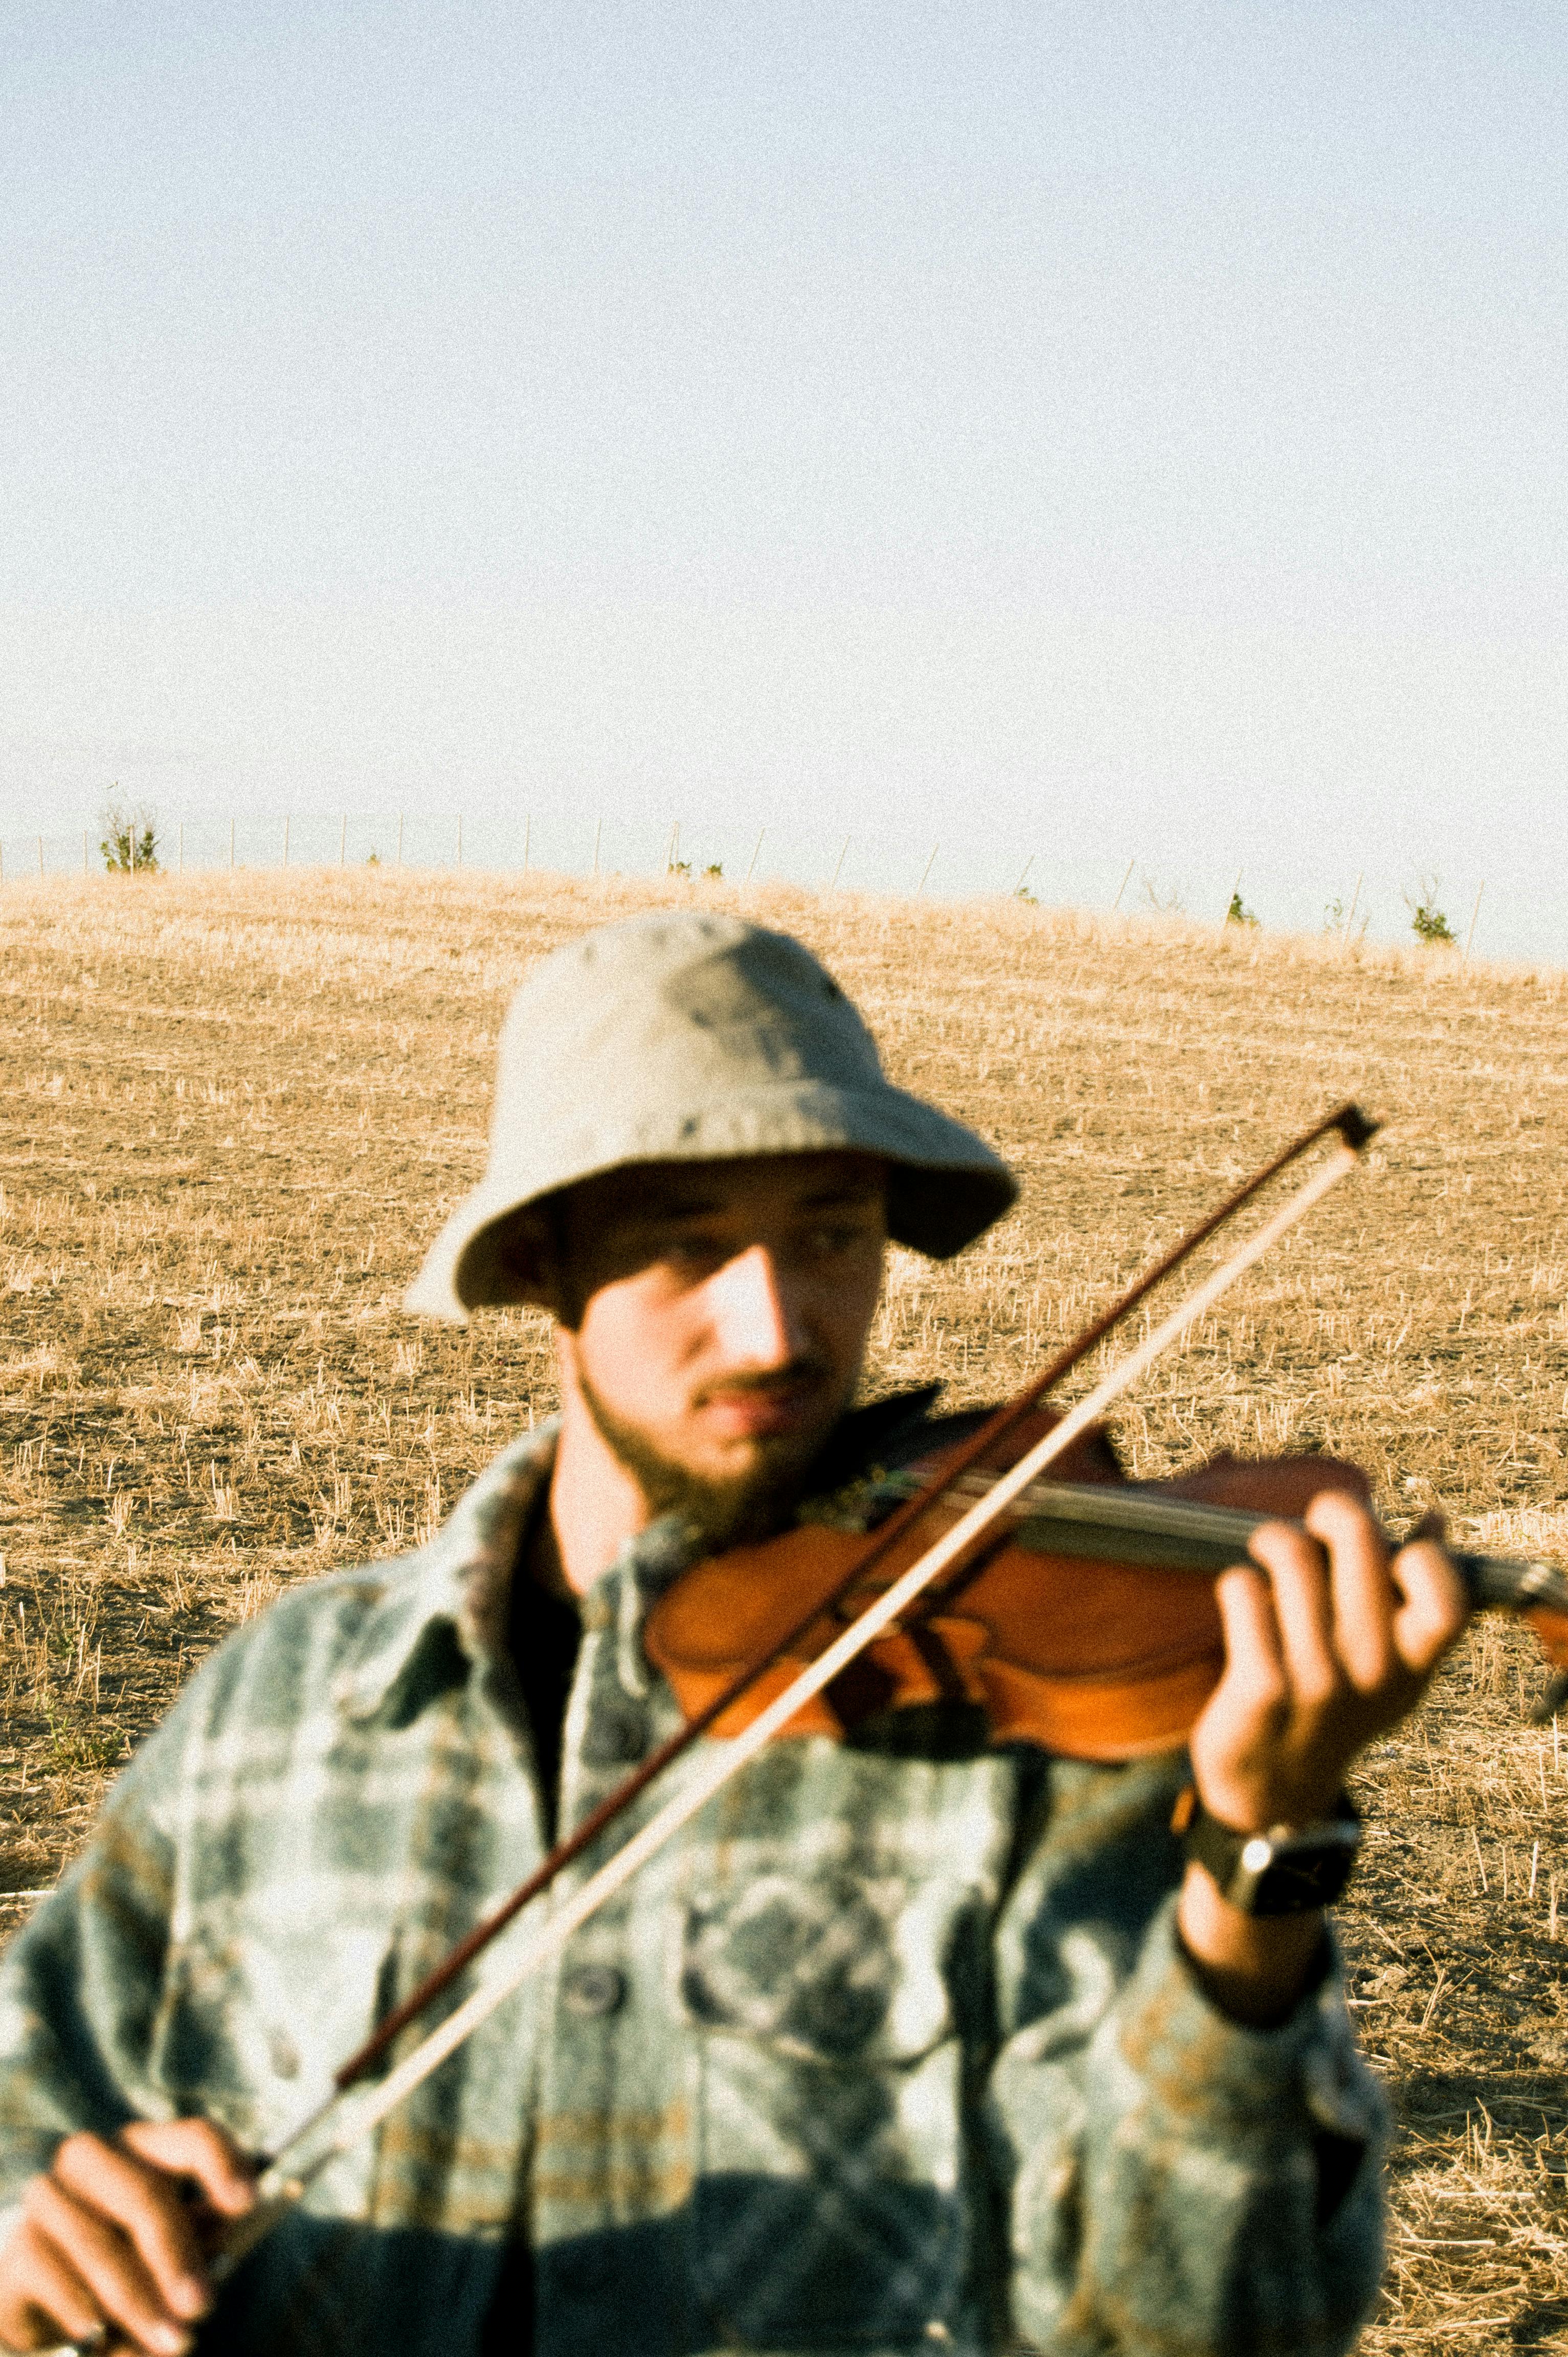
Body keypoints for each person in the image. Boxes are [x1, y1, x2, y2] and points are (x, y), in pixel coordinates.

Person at [0, 909, 1465, 2357]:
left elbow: (1202, 2327)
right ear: (541, 1266)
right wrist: (25, 2230)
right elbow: (34, 2098)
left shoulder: (1032, 1725)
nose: (776, 1328)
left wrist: (1258, 1868)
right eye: (688, 1247)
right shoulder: (288, 1702)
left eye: (829, 1236)